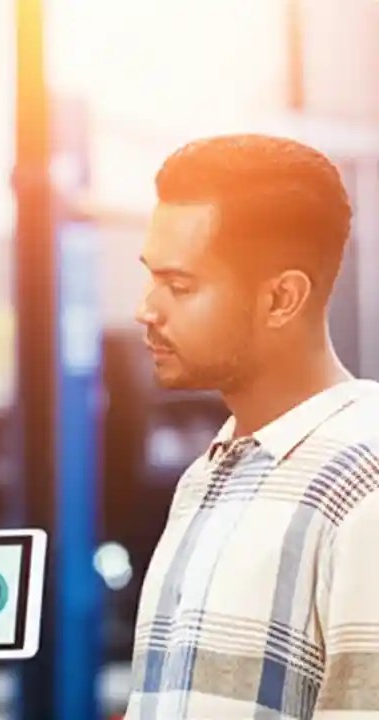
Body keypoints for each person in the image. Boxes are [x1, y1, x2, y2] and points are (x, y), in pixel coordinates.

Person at [127, 133, 379, 718]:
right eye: (152, 277)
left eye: (180, 286)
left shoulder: (366, 484)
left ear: (281, 300)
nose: (147, 308)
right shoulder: (207, 475)